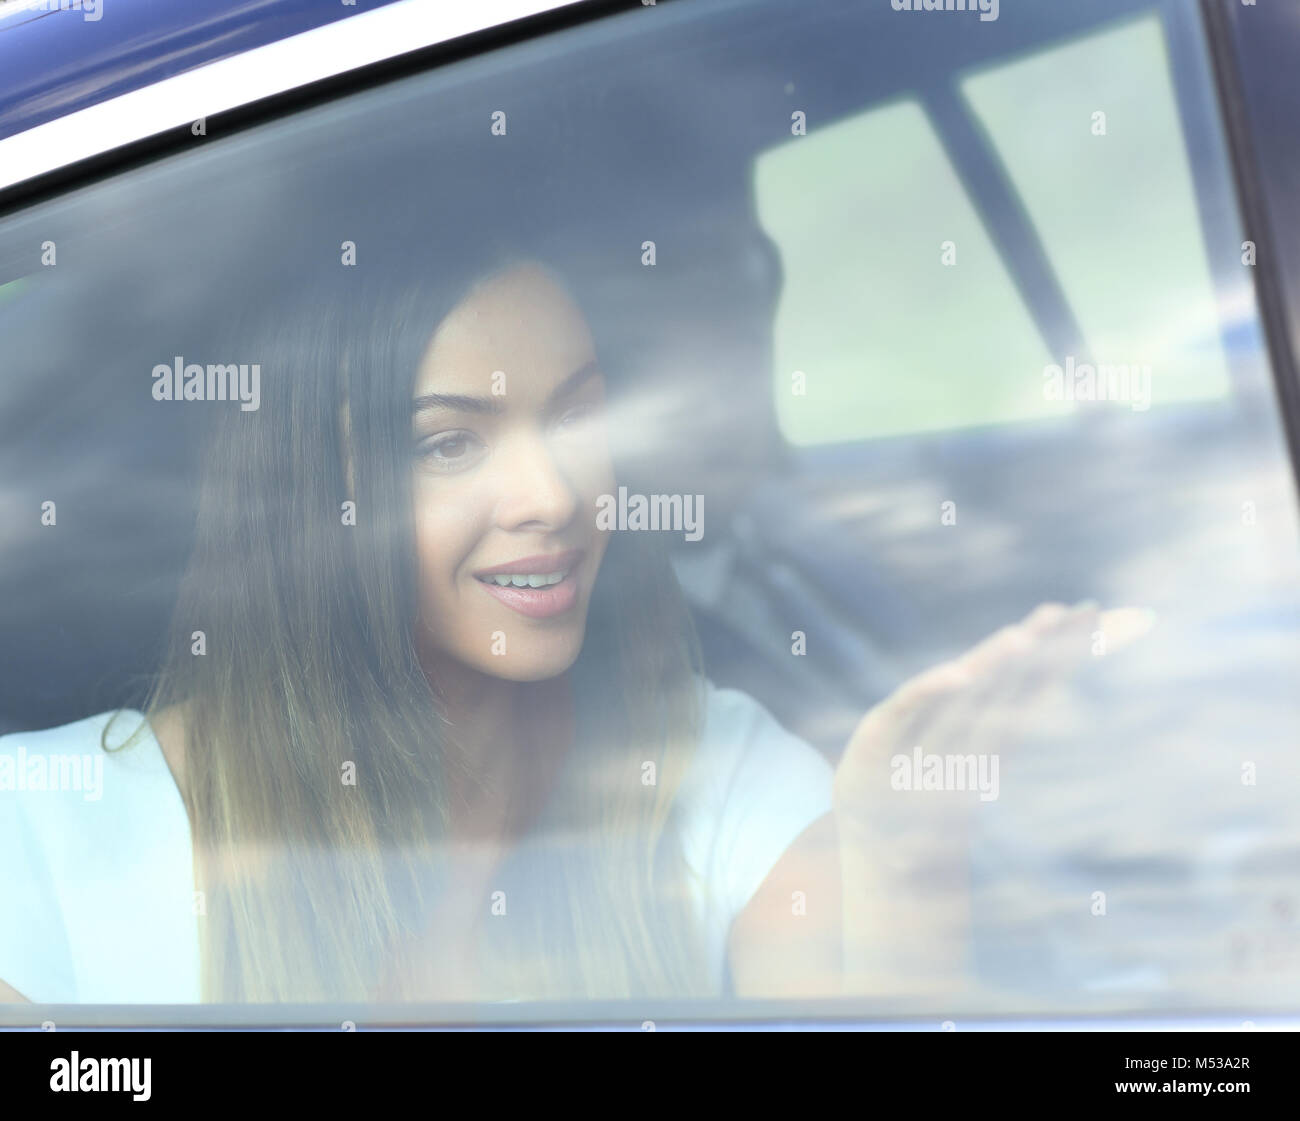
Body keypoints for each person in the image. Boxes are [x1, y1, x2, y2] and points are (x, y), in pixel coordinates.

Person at [0, 242, 1143, 1006]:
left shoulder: (713, 771)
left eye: (578, 417)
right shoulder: (38, 839)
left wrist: (904, 868)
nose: (553, 494)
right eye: (450, 441)